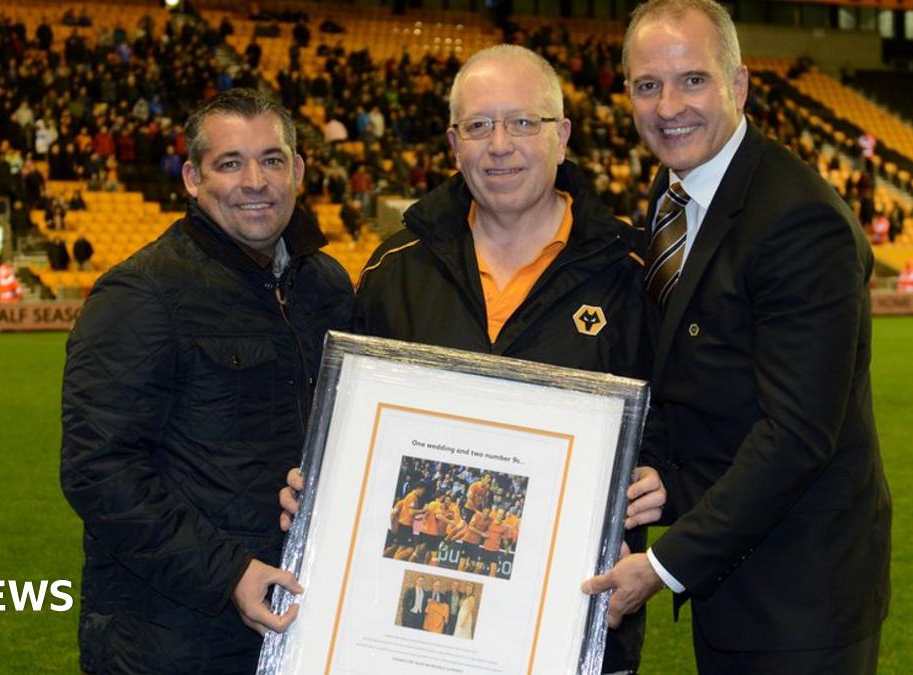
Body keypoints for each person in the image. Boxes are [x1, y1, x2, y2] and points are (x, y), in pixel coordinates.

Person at [281, 45, 663, 674]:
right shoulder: (394, 269)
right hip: (405, 629)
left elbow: (677, 425)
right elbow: (356, 431)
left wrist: (661, 483)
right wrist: (323, 488)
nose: (500, 144)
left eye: (523, 122)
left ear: (562, 136)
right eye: (479, 125)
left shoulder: (632, 276)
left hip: (570, 625)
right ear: (454, 145)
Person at [582, 2, 891, 673]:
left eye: (692, 80)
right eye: (647, 85)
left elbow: (799, 436)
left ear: (739, 85)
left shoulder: (798, 220)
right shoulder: (675, 198)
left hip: (802, 595)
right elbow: (703, 379)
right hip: (736, 580)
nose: (668, 107)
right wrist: (667, 477)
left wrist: (663, 564)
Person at [61, 89, 354, 674]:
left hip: (302, 615)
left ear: (297, 170)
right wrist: (227, 574)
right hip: (170, 636)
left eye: (272, 160)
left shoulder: (327, 285)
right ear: (193, 178)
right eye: (230, 163)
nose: (255, 181)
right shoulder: (142, 293)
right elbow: (98, 468)